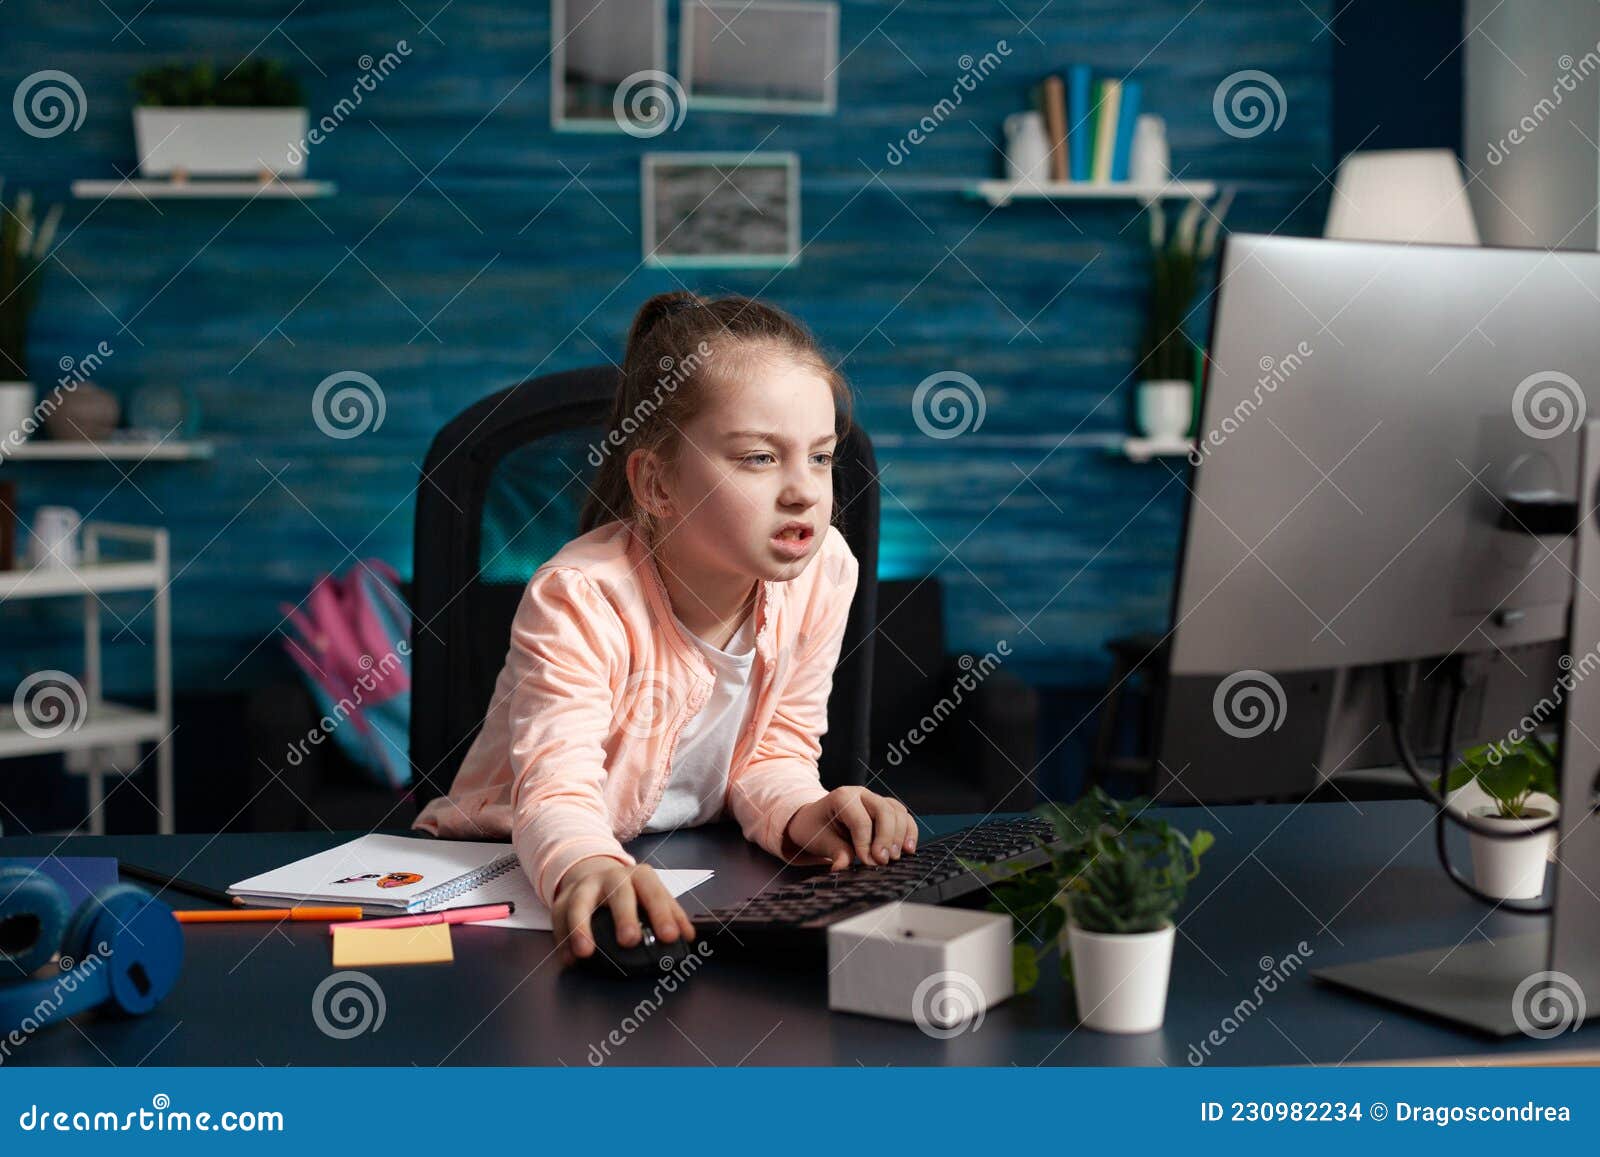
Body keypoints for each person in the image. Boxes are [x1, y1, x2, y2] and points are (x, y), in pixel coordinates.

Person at [414, 291, 917, 966]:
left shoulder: (825, 572)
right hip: (508, 868)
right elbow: (556, 793)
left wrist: (806, 811)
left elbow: (772, 753)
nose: (804, 490)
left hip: (690, 870)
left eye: (820, 457)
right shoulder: (581, 596)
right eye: (760, 458)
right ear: (656, 485)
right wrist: (587, 863)